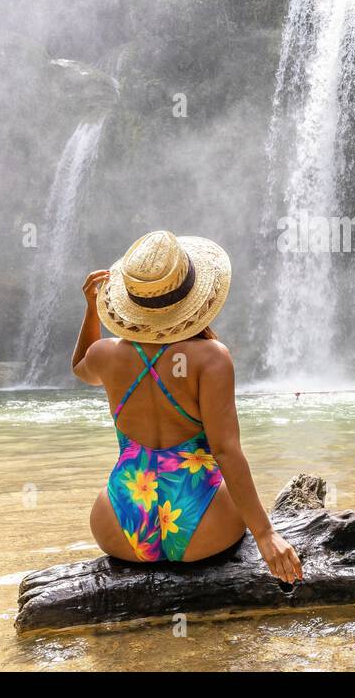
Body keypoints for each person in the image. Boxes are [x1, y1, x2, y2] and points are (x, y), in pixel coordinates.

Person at [71, 229, 303, 584]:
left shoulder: (105, 355)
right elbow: (226, 452)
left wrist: (91, 311)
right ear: (194, 300)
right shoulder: (210, 358)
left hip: (119, 521)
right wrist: (265, 535)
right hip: (202, 524)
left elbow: (80, 369)